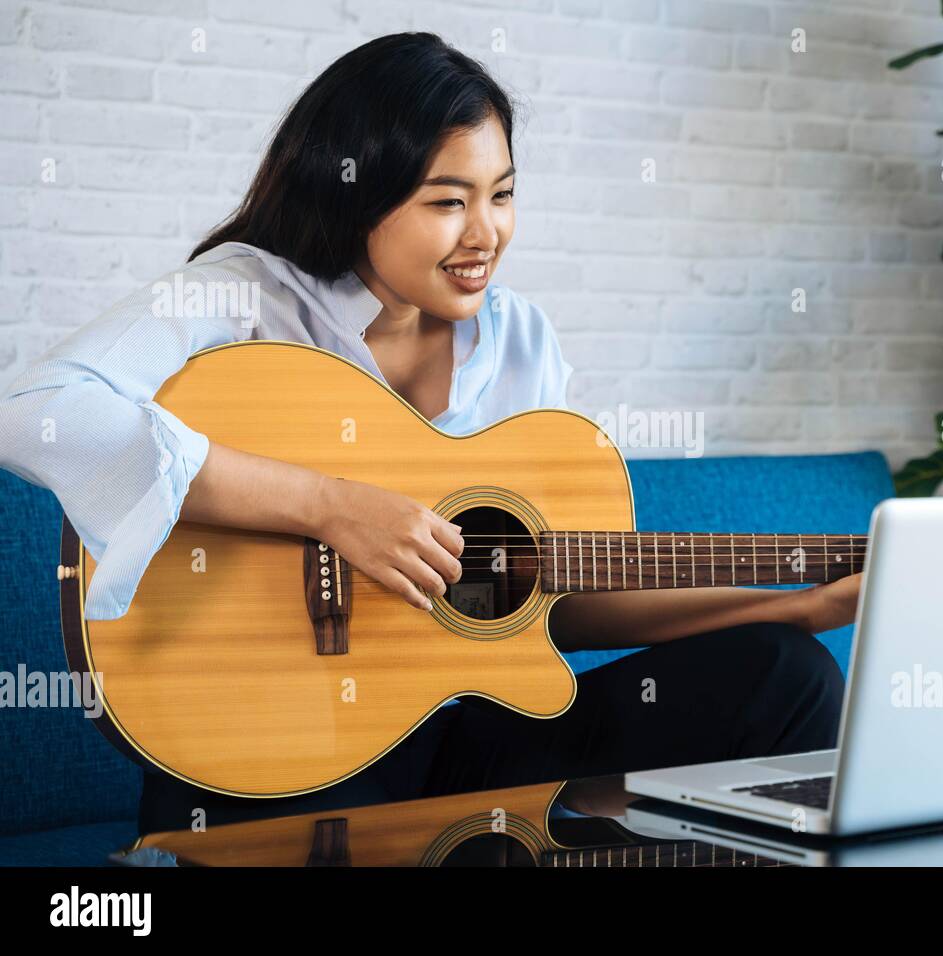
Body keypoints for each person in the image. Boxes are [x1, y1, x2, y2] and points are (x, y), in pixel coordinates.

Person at [0, 33, 857, 835]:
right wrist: (327, 507)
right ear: (355, 193)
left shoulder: (521, 341)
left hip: (466, 744)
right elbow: (35, 408)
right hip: (275, 755)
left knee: (789, 676)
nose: (485, 234)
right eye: (448, 201)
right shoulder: (242, 298)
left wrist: (798, 601)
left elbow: (552, 603)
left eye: (503, 194)